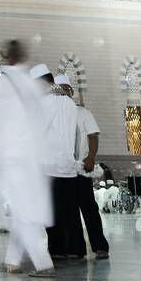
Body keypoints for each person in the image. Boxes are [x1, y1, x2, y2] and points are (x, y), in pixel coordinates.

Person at [0, 40, 54, 277]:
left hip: (10, 156)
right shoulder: (32, 84)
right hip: (32, 158)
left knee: (22, 211)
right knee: (25, 207)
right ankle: (12, 260)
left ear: (6, 56)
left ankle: (43, 263)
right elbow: (40, 121)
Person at [31, 64, 84, 260]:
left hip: (49, 165)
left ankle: (57, 249)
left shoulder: (45, 103)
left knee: (51, 210)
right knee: (70, 210)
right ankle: (76, 249)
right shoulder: (69, 103)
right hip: (68, 166)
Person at [59, 76, 110, 260]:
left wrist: (90, 157)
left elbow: (93, 136)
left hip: (80, 168)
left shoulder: (82, 113)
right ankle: (75, 248)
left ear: (71, 92)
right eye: (59, 89)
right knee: (69, 211)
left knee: (88, 208)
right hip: (63, 170)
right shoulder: (56, 115)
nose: (63, 93)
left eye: (65, 89)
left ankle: (100, 246)